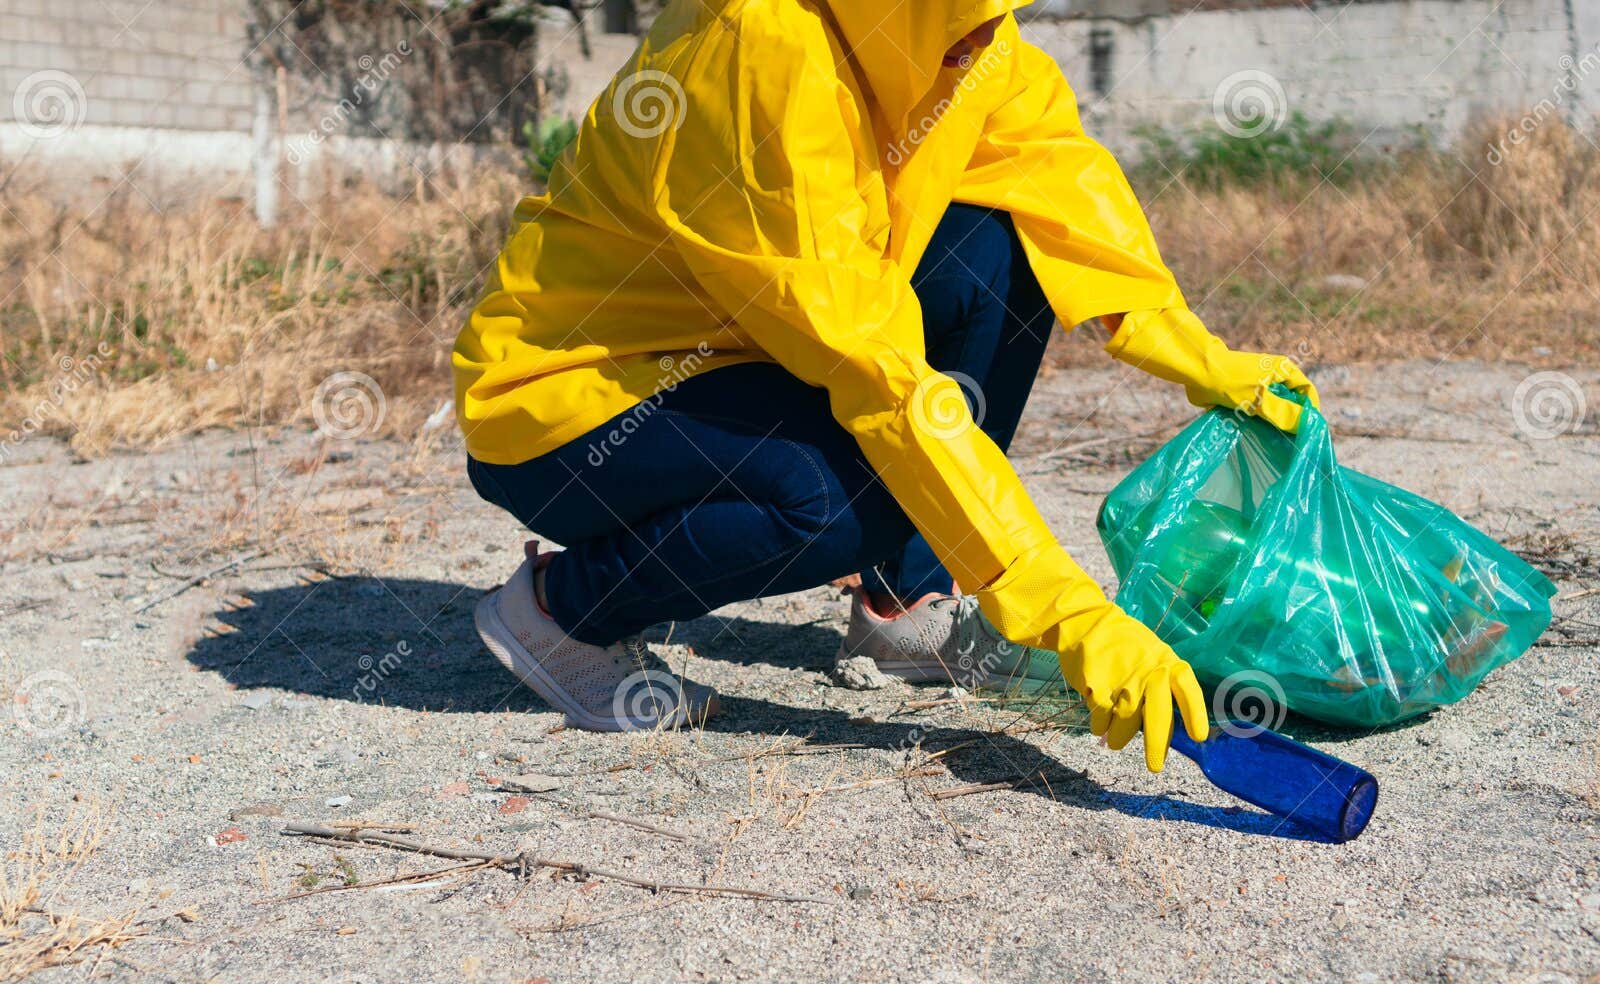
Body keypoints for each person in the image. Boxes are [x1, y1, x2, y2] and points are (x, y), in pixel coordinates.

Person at [453, 0, 1320, 769]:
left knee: (1000, 252)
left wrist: (1198, 357)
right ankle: (564, 612)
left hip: (745, 349)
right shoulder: (759, 47)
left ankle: (906, 600)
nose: (987, 36)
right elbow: (881, 373)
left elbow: (1062, 181)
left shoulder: (955, 34)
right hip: (573, 400)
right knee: (853, 491)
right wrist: (1064, 610)